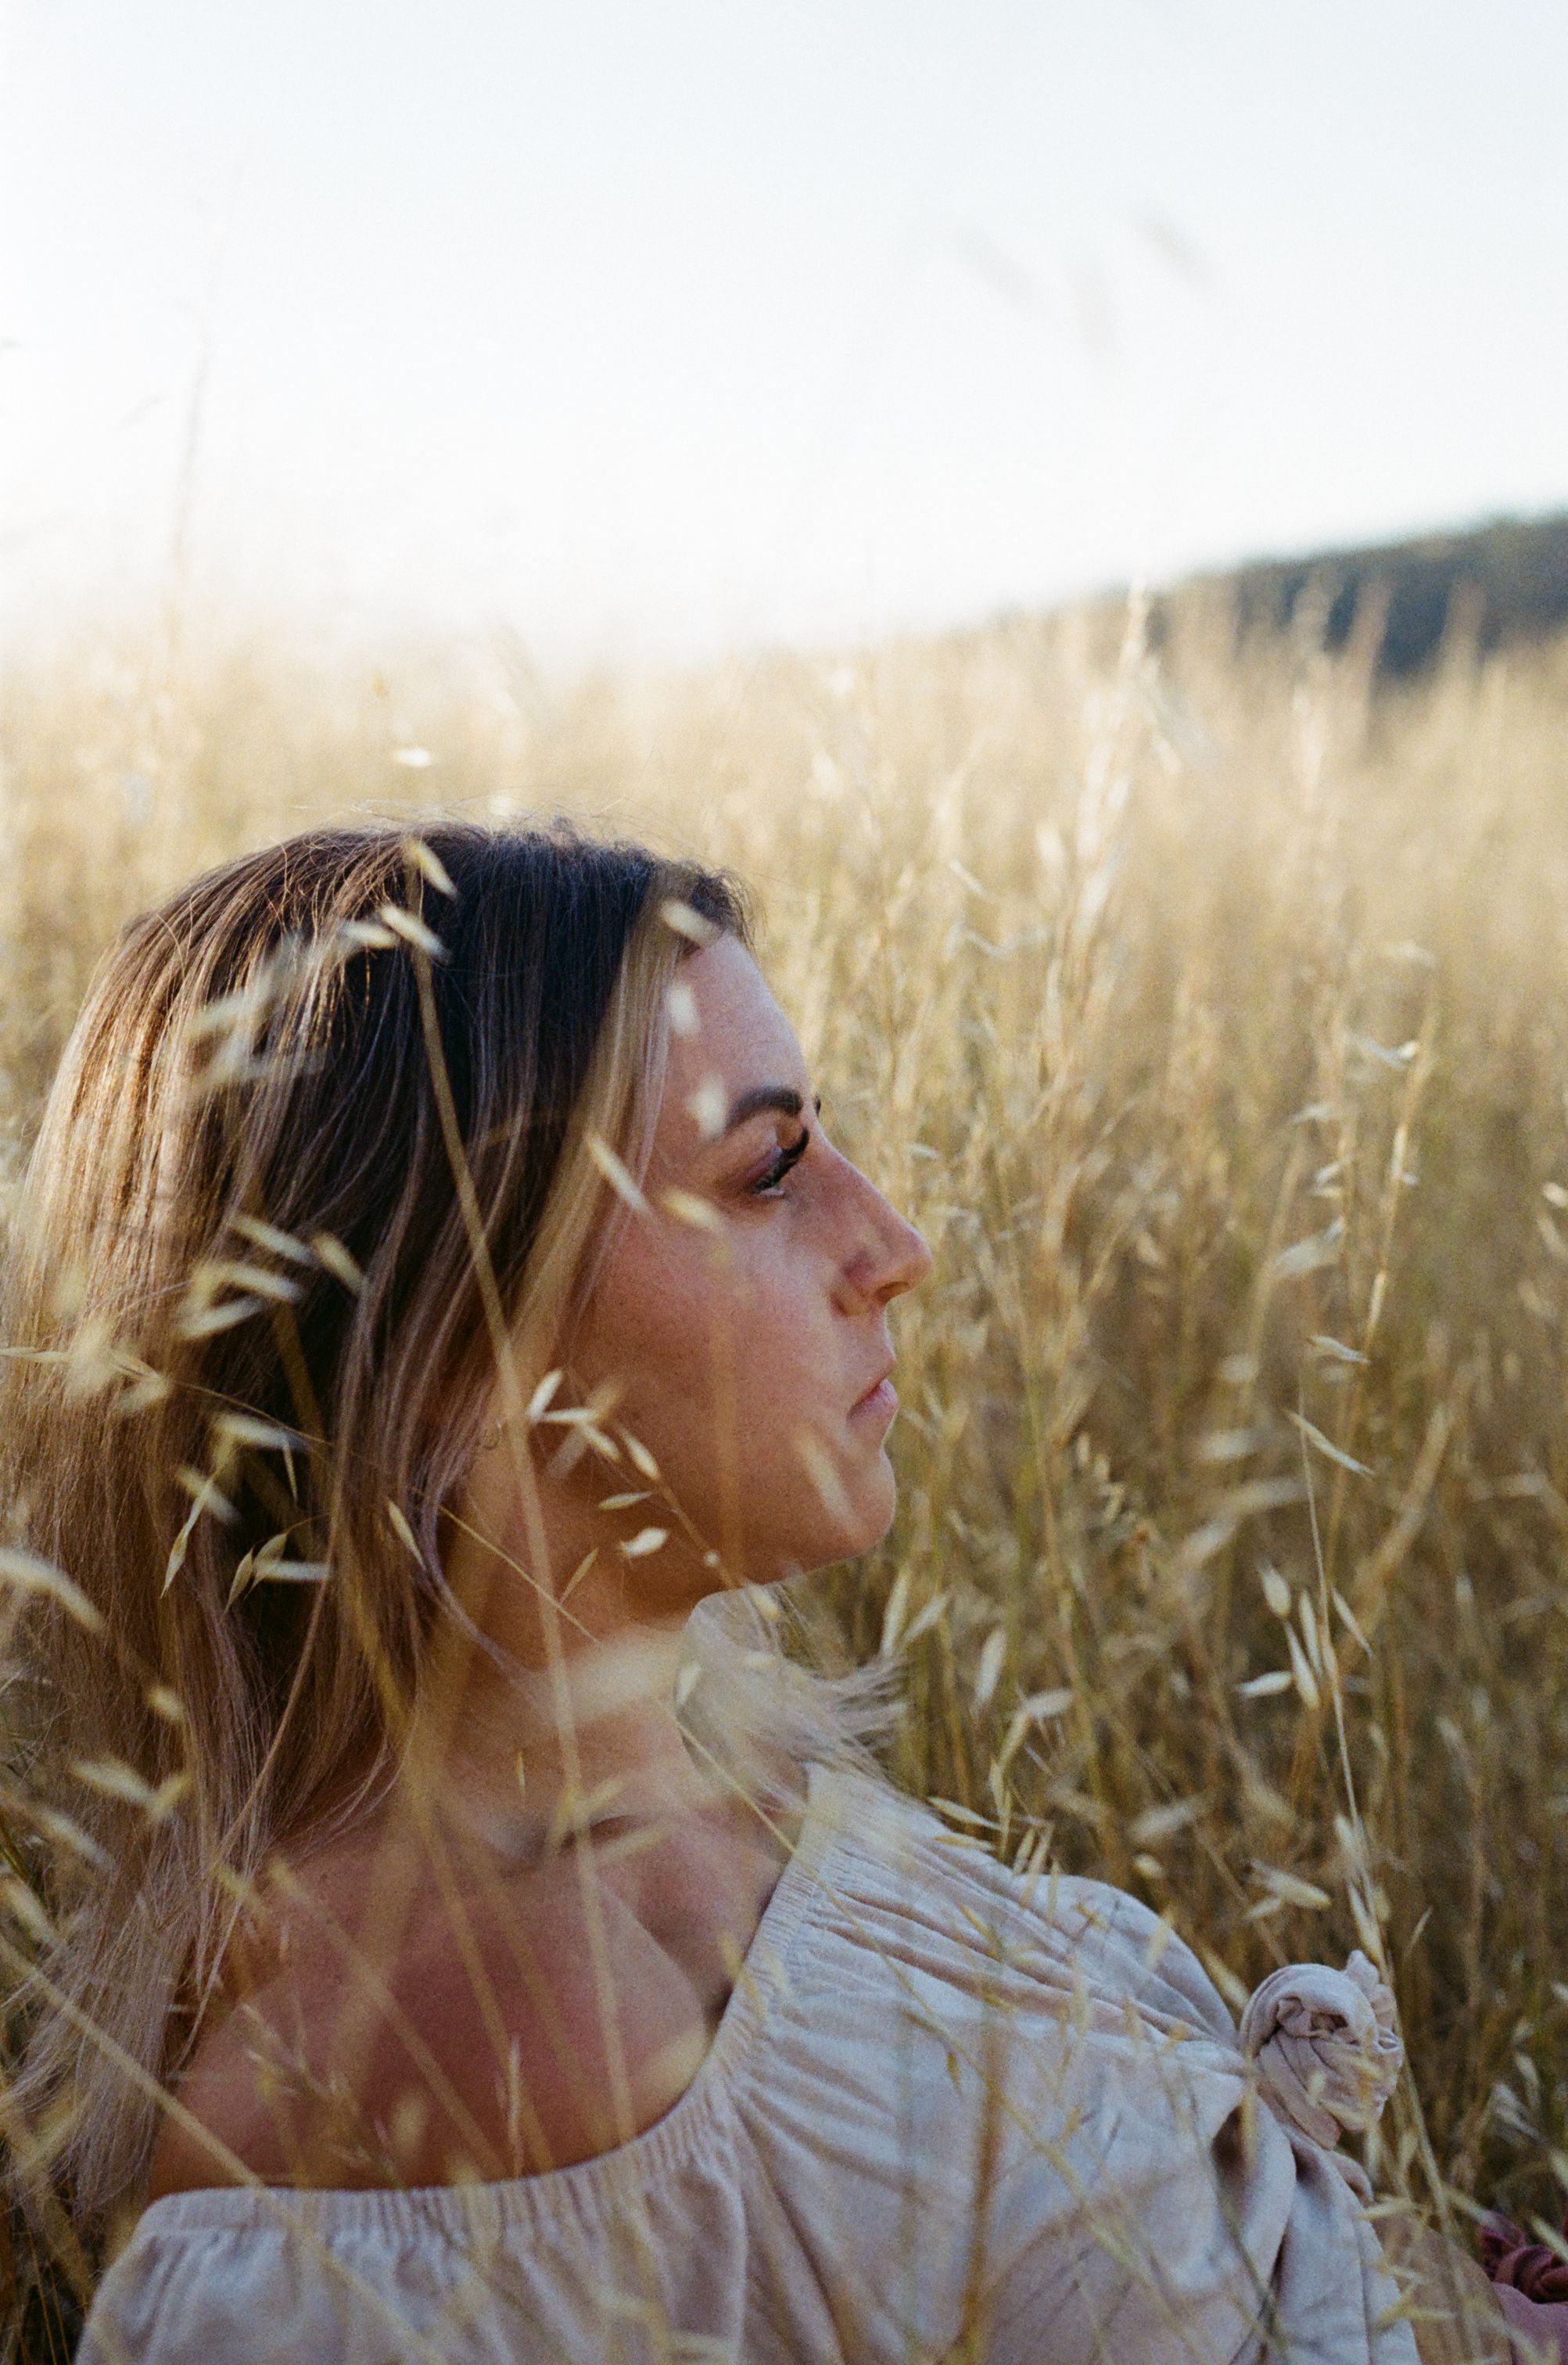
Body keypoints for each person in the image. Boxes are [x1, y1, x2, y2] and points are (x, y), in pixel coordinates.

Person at [0, 820, 1545, 2363]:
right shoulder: (520, 2031)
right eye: (772, 1168)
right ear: (444, 1359)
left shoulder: (683, 1790)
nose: (895, 1247)